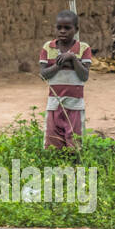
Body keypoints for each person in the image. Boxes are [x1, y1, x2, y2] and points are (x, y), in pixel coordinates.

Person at [38, 9, 92, 150]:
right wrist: (59, 64)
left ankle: (74, 169)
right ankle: (56, 170)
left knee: (75, 144)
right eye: (59, 27)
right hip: (54, 104)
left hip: (75, 105)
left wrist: (73, 58)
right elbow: (43, 74)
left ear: (76, 29)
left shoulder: (83, 48)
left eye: (67, 28)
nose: (62, 31)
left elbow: (84, 75)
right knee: (52, 142)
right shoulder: (48, 48)